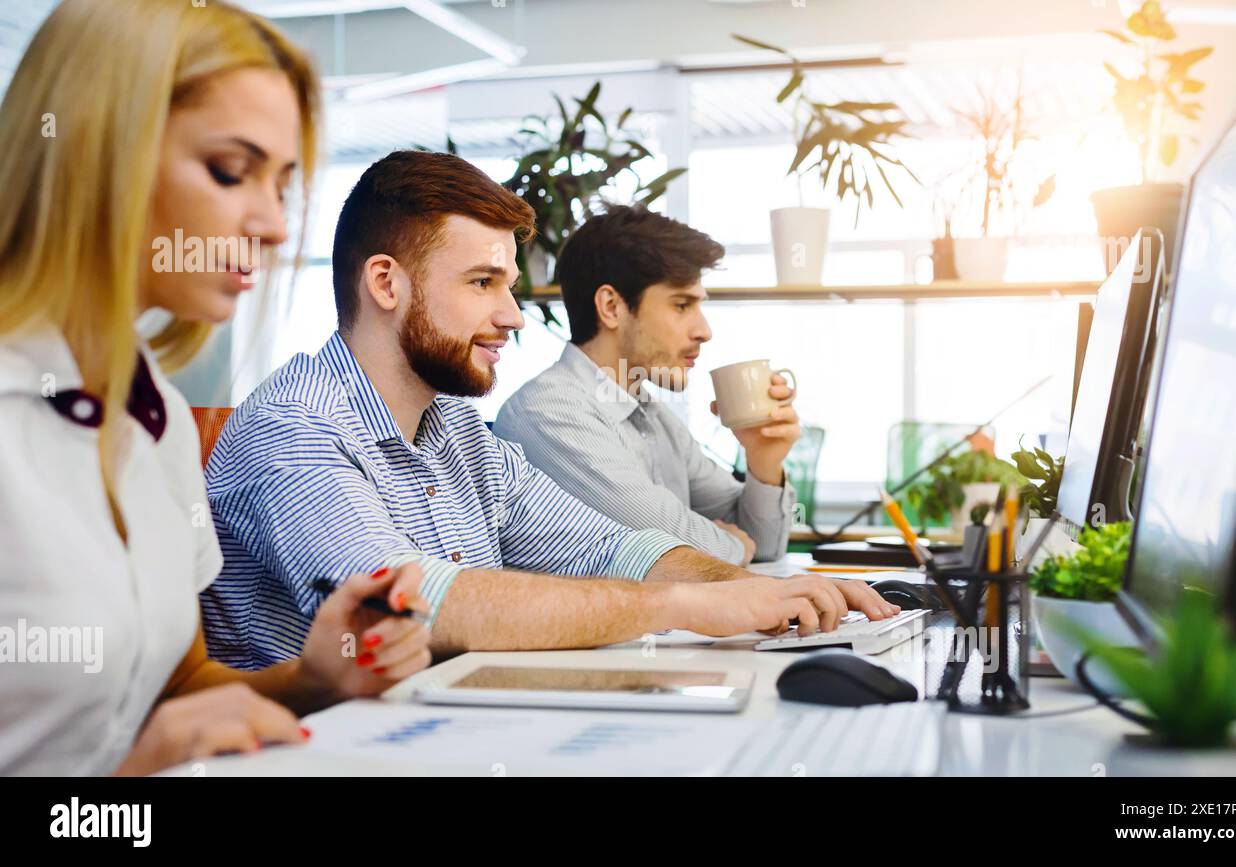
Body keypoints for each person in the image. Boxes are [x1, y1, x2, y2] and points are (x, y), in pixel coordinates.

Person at [201, 150, 898, 668]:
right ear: (386, 282)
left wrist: (757, 589)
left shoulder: (460, 434)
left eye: (507, 284)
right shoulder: (292, 429)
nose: (511, 315)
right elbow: (411, 607)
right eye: (482, 283)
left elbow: (611, 547)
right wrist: (694, 603)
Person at [0, 0, 432, 776]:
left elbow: (172, 689)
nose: (271, 223)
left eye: (283, 184)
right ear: (96, 151)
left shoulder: (154, 412)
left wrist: (314, 676)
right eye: (231, 171)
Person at [494, 206, 797, 565]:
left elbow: (764, 545)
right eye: (682, 305)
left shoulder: (652, 415)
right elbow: (672, 547)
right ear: (611, 307)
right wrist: (732, 545)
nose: (704, 330)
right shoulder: (547, 413)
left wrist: (763, 458)